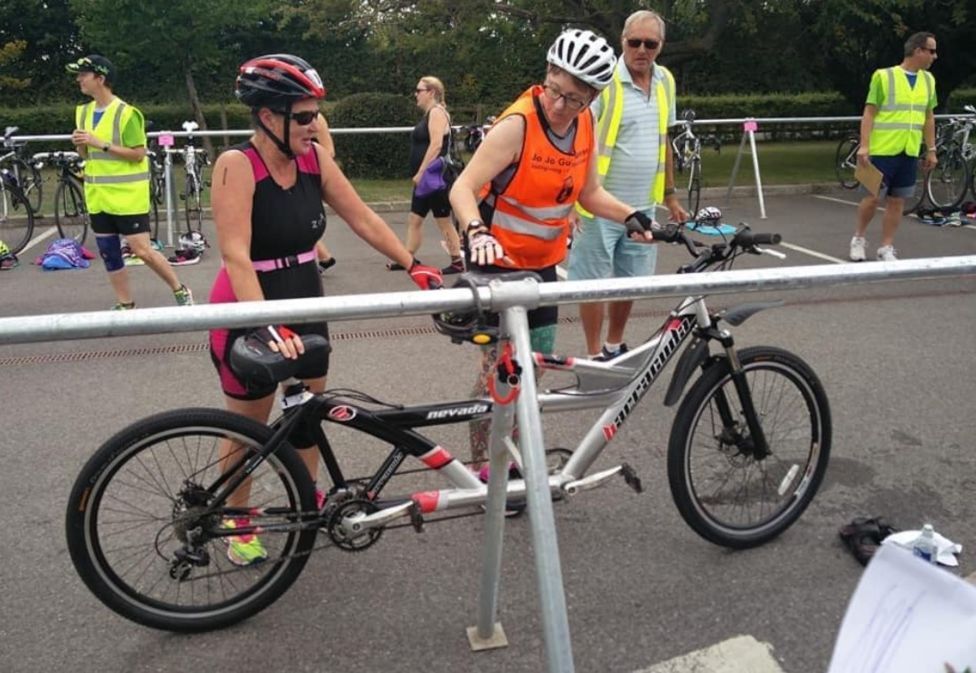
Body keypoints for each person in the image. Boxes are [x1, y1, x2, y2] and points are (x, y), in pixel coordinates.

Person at [209, 54, 442, 565]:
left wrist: (413, 264)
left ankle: (306, 499)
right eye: (304, 115)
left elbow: (361, 217)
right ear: (269, 118)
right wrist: (266, 324)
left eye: (316, 113)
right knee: (248, 429)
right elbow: (235, 256)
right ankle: (236, 520)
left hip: (306, 295)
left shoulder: (314, 159)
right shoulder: (236, 165)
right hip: (250, 305)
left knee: (307, 416)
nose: (314, 124)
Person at [449, 29, 660, 467]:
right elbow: (462, 188)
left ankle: (511, 454)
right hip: (496, 261)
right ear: (547, 74)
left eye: (574, 99)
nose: (559, 106)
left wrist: (631, 215)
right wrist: (475, 231)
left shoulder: (585, 123)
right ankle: (484, 466)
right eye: (554, 90)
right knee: (501, 371)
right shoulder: (518, 125)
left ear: (592, 98)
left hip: (542, 265)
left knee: (532, 368)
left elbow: (589, 194)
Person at [567, 10, 688, 360]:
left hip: (643, 206)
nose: (641, 50)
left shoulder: (665, 81)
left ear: (660, 46)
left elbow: (664, 139)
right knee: (592, 284)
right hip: (598, 204)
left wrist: (670, 194)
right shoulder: (604, 81)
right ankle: (594, 355)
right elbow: (579, 141)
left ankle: (614, 344)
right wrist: (573, 204)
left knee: (631, 279)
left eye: (650, 44)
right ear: (622, 41)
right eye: (634, 42)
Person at [67, 55, 193, 309]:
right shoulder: (82, 112)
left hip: (127, 197)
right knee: (109, 253)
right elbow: (87, 154)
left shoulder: (127, 113)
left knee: (142, 250)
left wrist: (98, 142)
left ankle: (180, 289)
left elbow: (138, 154)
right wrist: (81, 145)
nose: (78, 79)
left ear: (100, 79)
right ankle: (125, 302)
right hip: (98, 195)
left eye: (83, 74)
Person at [850, 32, 938, 262]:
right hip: (882, 149)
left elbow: (928, 117)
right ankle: (858, 238)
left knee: (898, 200)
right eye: (931, 50)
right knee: (872, 198)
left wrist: (931, 149)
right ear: (918, 50)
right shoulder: (883, 76)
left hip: (908, 150)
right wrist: (864, 146)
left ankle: (886, 246)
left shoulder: (928, 80)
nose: (934, 56)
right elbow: (869, 112)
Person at [390, 76, 464, 275]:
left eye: (419, 90)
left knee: (443, 219)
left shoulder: (437, 113)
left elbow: (436, 145)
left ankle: (457, 260)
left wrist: (421, 171)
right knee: (415, 219)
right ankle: (408, 257)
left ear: (431, 92)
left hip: (434, 178)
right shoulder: (429, 114)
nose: (416, 94)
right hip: (424, 180)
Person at [313, 111, 337, 272]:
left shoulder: (317, 118)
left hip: (312, 174)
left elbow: (329, 151)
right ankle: (325, 257)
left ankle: (325, 257)